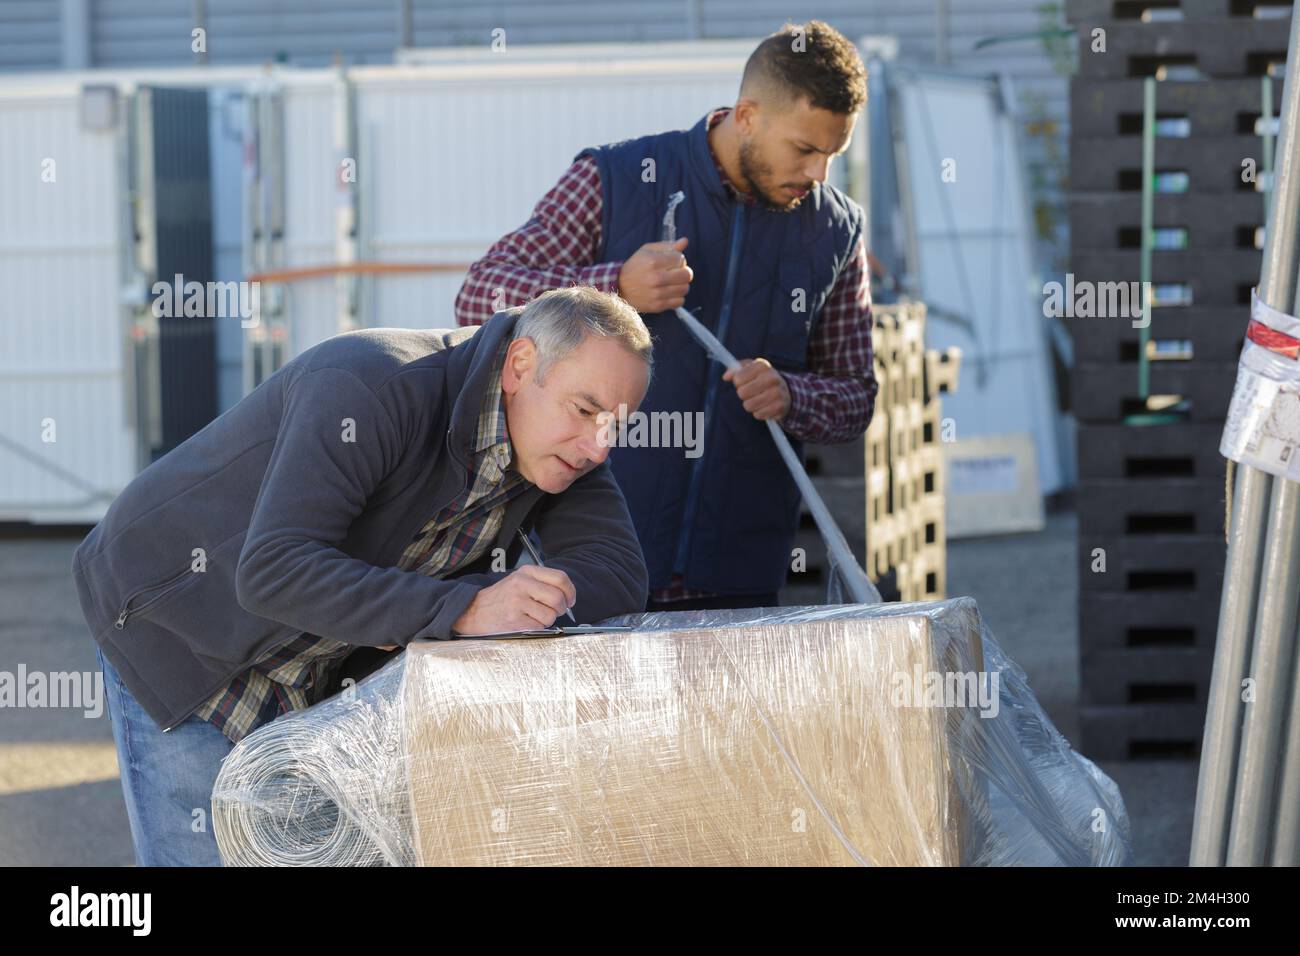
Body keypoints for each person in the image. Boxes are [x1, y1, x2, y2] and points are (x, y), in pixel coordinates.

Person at [73, 286, 652, 865]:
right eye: (585, 410)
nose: (599, 447)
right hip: (180, 628)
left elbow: (619, 575)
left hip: (314, 669)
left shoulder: (561, 454)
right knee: (204, 855)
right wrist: (467, 611)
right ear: (522, 366)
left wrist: (501, 605)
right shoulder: (368, 386)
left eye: (616, 426)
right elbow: (275, 570)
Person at [455, 20, 878, 612]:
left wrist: (790, 395)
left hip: (741, 579)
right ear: (748, 115)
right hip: (586, 558)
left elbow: (856, 396)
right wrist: (615, 284)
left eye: (832, 154)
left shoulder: (836, 229)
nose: (818, 175)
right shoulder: (616, 178)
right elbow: (481, 295)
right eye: (805, 149)